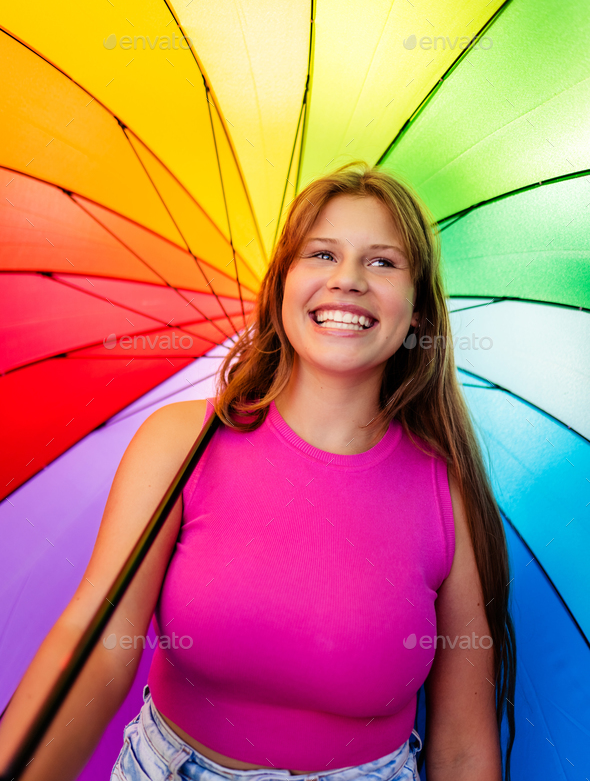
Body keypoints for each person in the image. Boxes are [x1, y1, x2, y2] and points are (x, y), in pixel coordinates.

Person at [0, 163, 515, 781]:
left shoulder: (447, 488)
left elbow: (461, 747)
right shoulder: (182, 441)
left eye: (383, 262)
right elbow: (98, 644)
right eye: (321, 254)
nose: (348, 280)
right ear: (281, 287)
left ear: (419, 314)